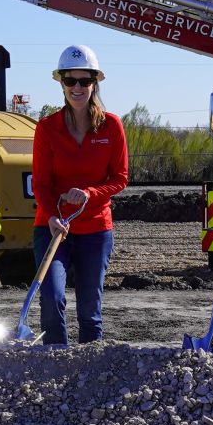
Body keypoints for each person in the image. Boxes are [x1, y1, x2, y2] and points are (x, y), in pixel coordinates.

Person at [30, 43, 129, 345]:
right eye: (69, 80)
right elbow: (41, 184)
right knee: (52, 299)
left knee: (89, 310)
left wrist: (90, 193)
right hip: (52, 228)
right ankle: (56, 365)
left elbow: (120, 178)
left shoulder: (111, 126)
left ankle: (91, 376)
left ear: (94, 83)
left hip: (96, 229)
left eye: (84, 81)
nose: (77, 87)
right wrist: (51, 217)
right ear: (60, 83)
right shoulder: (47, 128)